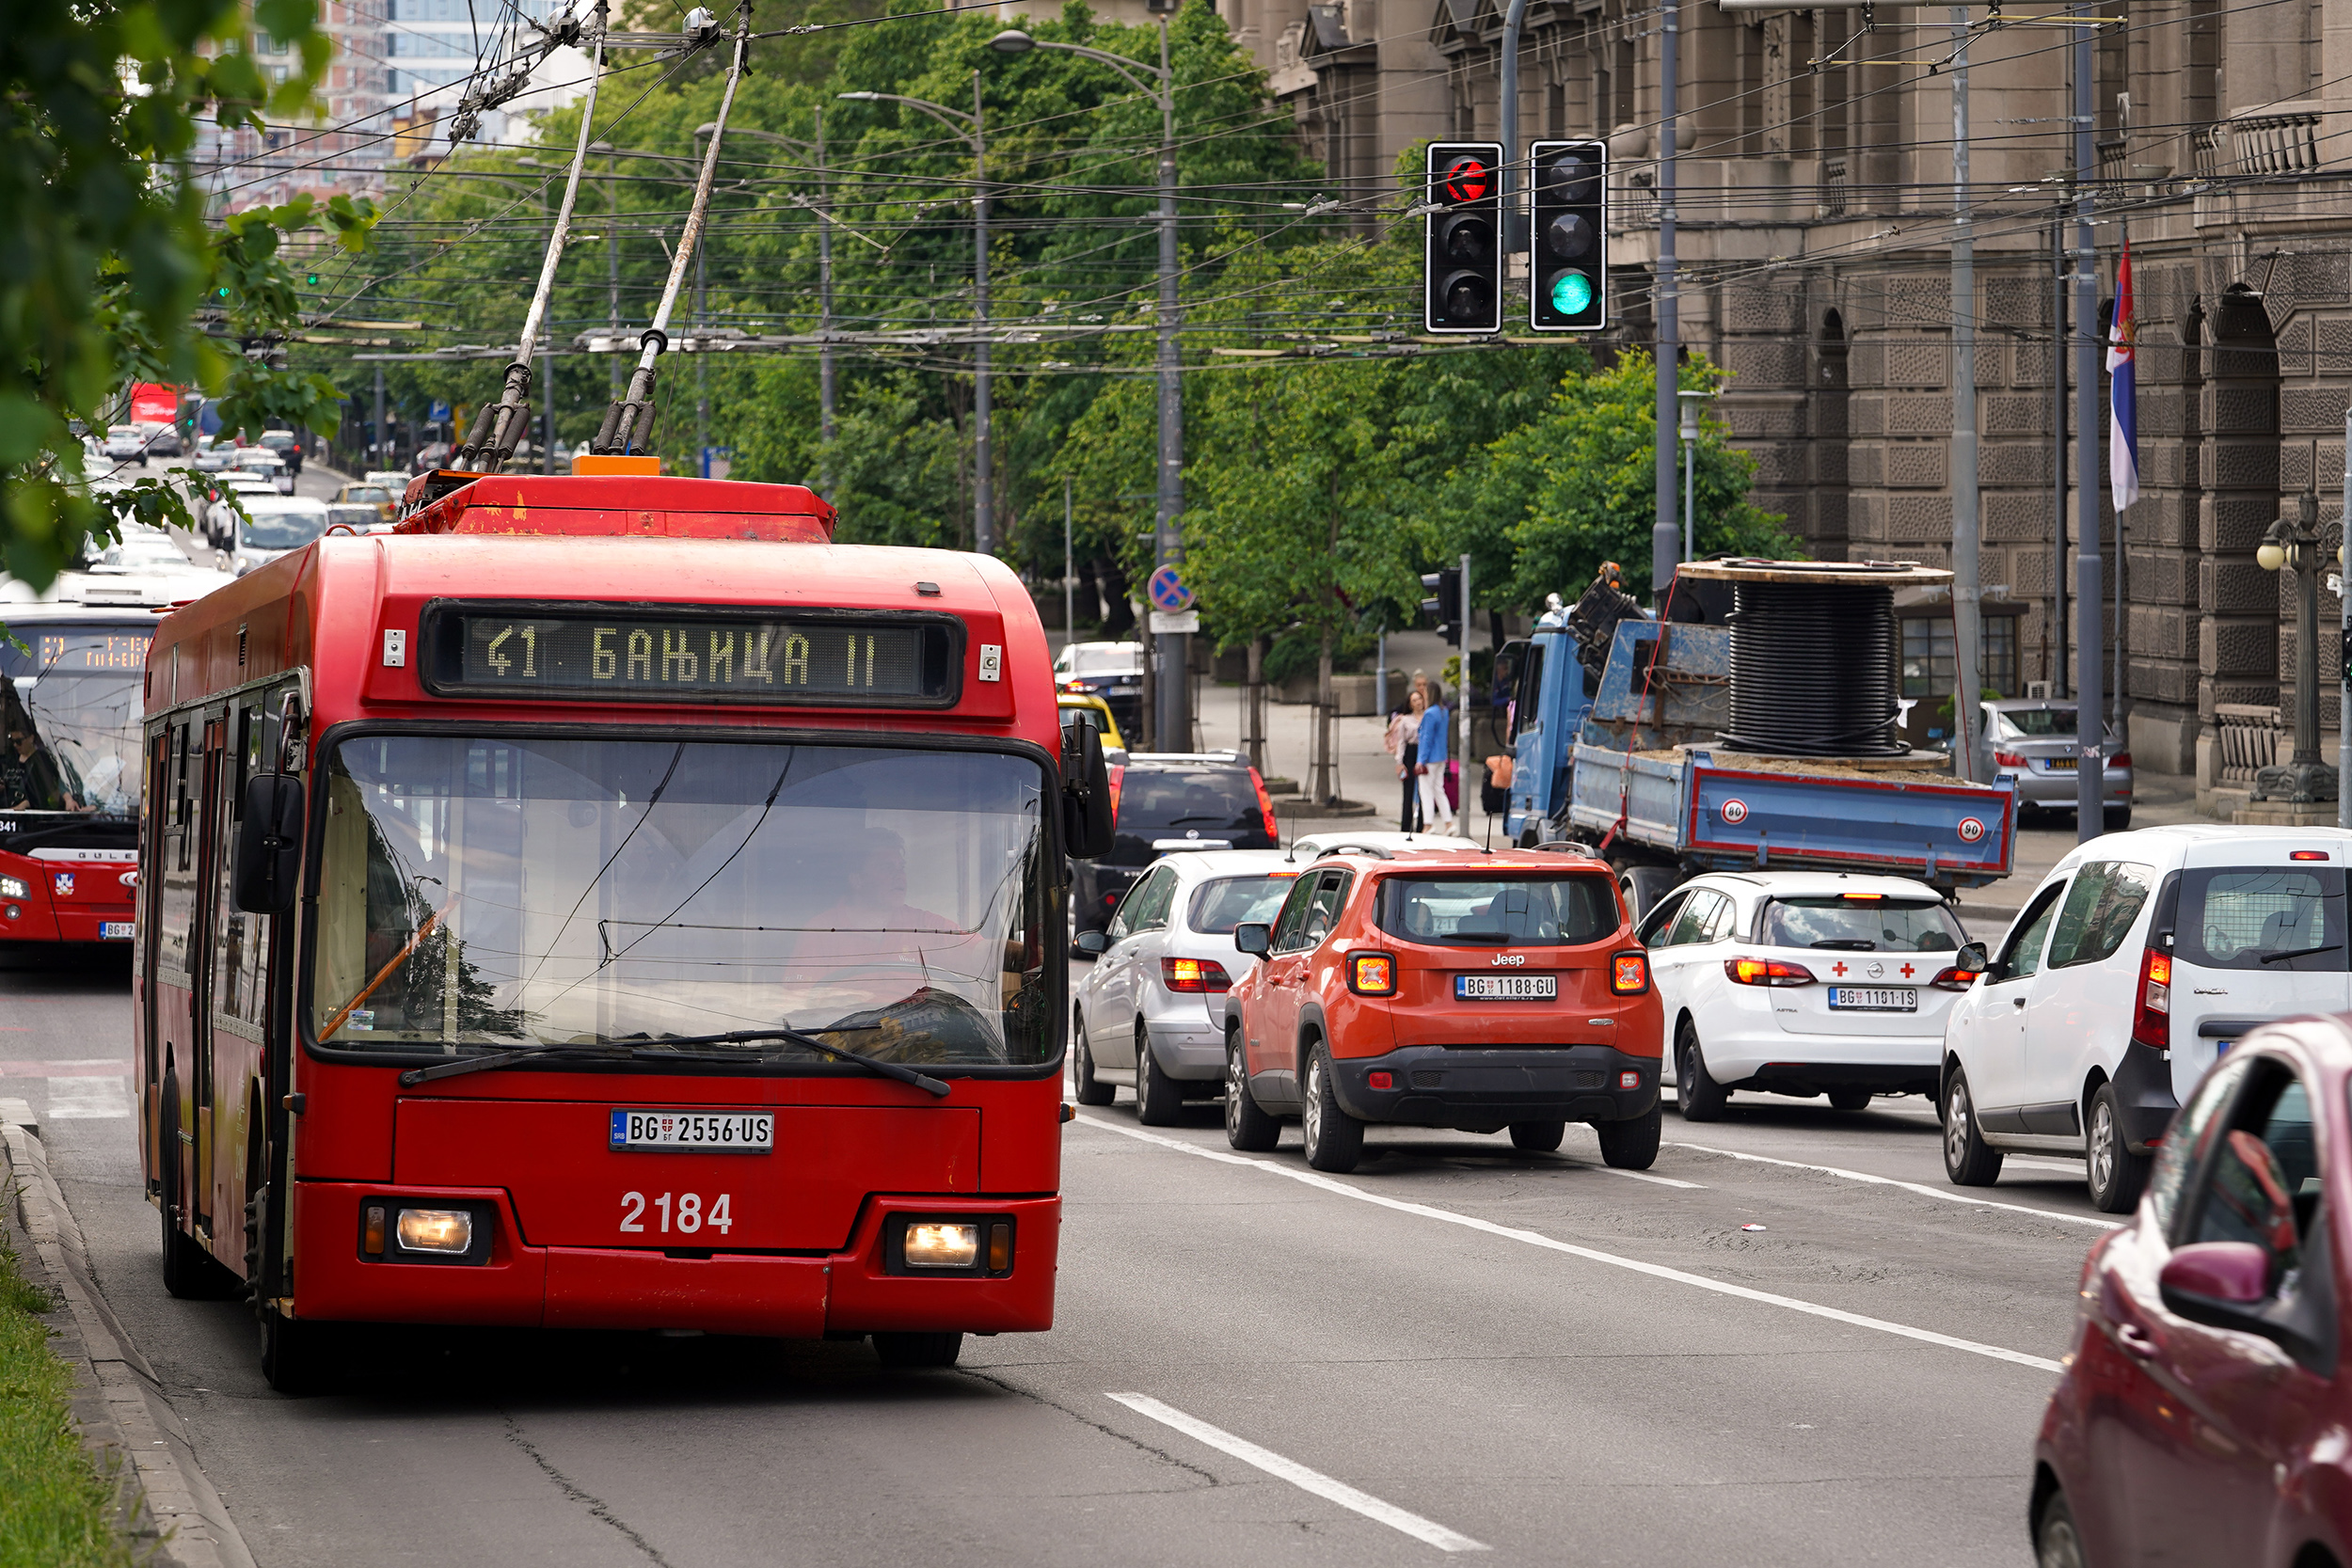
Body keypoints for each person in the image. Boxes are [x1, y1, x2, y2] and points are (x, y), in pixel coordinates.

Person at [0, 725, 75, 812]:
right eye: (12, 741)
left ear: (31, 738)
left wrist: (25, 804)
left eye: (18, 741)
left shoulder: (43, 761)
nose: (15, 745)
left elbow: (50, 789)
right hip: (6, 813)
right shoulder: (11, 759)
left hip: (30, 815)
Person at [1415, 686, 1455, 835]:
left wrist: (1421, 760)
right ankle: (1448, 822)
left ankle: (1428, 824)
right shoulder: (1443, 711)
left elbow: (1426, 738)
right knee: (1439, 789)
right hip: (1441, 756)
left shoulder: (1430, 713)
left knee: (1426, 791)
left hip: (1430, 758)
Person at [1386, 692, 1422, 832]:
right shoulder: (1406, 720)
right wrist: (1399, 762)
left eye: (1419, 699)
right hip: (1410, 751)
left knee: (1424, 790)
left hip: (1423, 751)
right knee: (1408, 790)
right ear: (1410, 704)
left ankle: (1422, 825)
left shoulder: (1427, 717)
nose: (1418, 702)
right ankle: (1406, 826)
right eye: (1414, 700)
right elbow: (1401, 741)